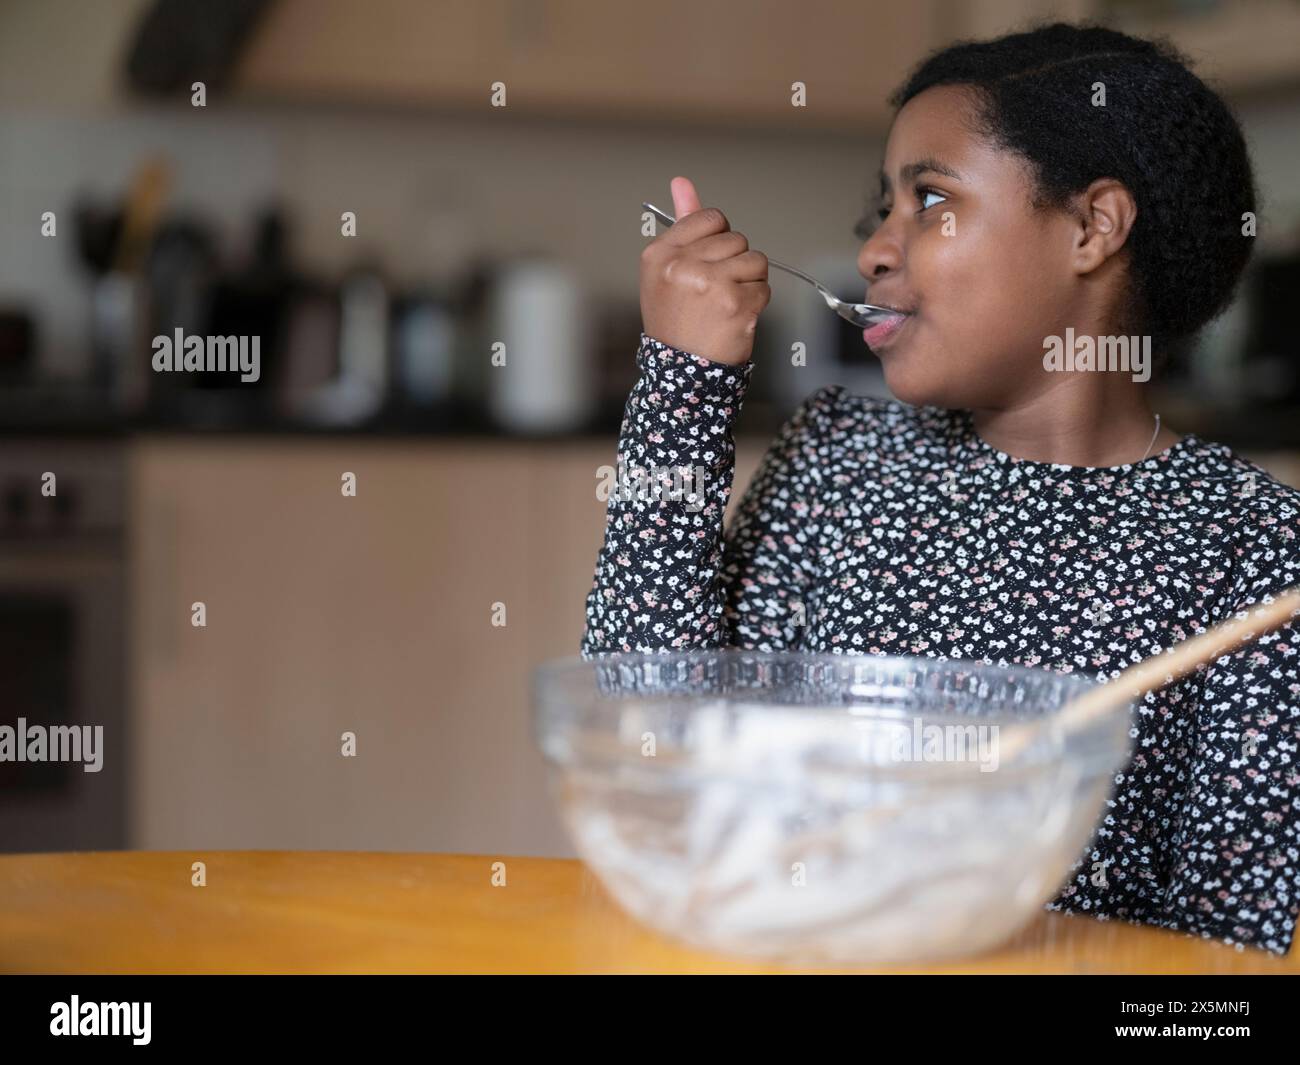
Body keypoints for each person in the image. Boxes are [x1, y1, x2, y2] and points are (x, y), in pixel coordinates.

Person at [581, 22, 1300, 955]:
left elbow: (1218, 981)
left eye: (930, 198)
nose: (877, 249)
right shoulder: (835, 457)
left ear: (1092, 228)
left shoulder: (1256, 554)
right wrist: (681, 387)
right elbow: (650, 747)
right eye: (885, 205)